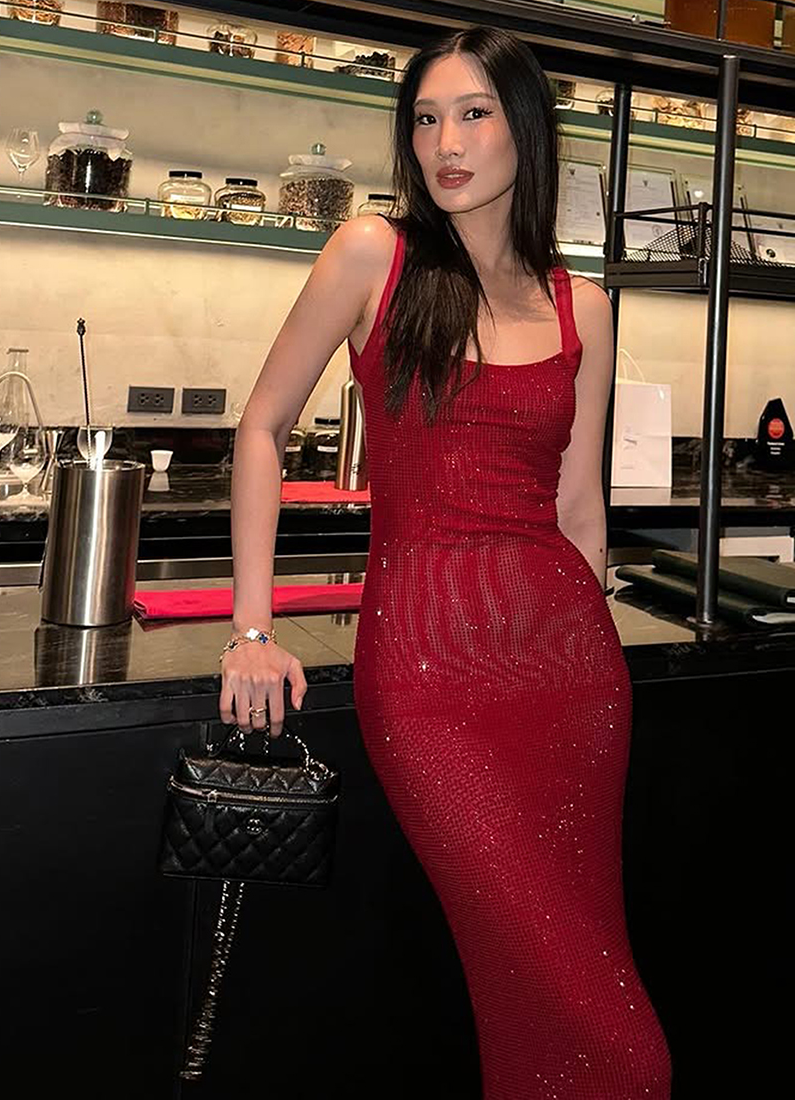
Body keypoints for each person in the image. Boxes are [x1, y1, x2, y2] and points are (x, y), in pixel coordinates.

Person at [220, 23, 671, 1099]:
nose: (445, 143)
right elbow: (261, 428)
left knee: (547, 990)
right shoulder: (372, 256)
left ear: (528, 129)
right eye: (425, 119)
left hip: (570, 680)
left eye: (473, 114)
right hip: (428, 683)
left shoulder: (583, 306)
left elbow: (578, 510)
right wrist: (252, 627)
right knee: (603, 1028)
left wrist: (596, 646)